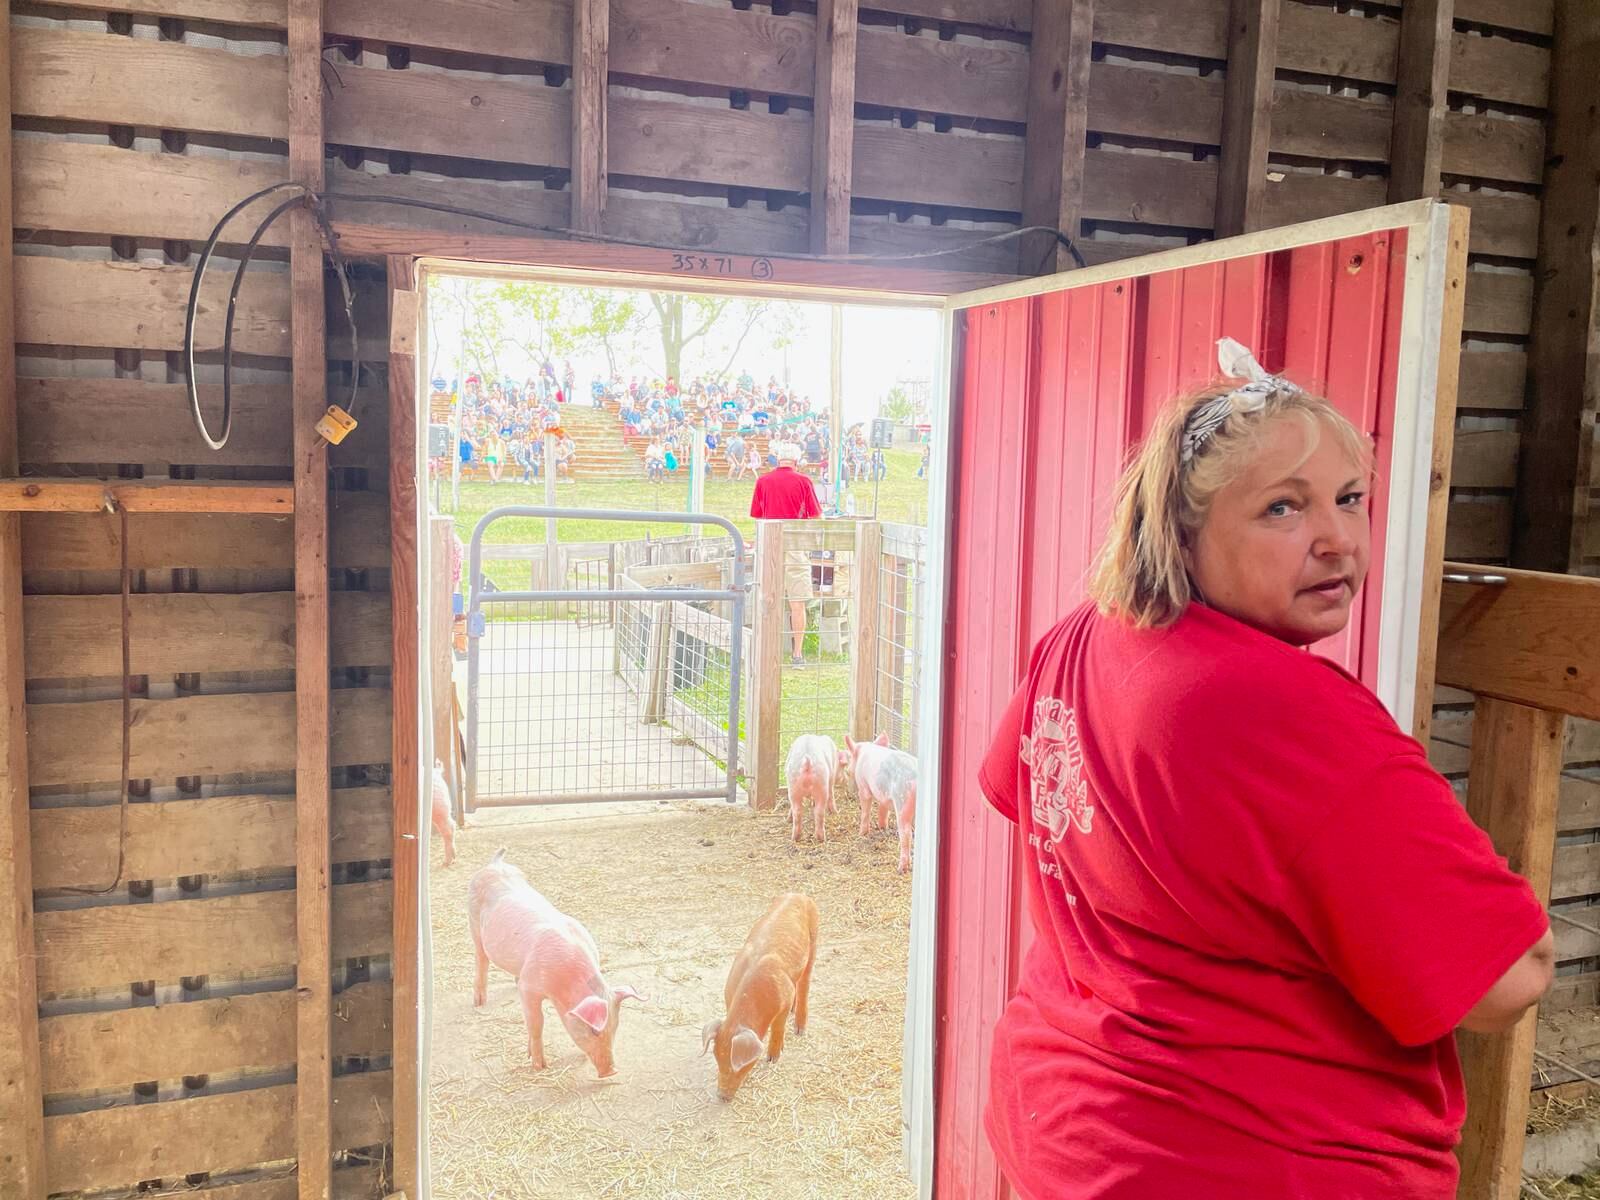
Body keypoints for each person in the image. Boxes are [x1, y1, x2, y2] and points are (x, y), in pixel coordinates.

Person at [977, 340, 1553, 1199]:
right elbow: (1508, 979)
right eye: (1282, 508)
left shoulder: (1086, 635)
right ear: (1183, 534)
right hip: (1251, 1160)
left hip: (1066, 1126)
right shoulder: (1292, 717)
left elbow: (1024, 794)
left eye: (1349, 499)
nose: (1337, 540)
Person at [750, 442, 821, 666]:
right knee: (797, 602)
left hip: (769, 545)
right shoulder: (803, 482)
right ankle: (797, 654)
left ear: (778, 459)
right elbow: (815, 516)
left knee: (768, 599)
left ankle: (765, 651)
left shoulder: (763, 482)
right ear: (796, 461)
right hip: (795, 546)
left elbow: (758, 515)